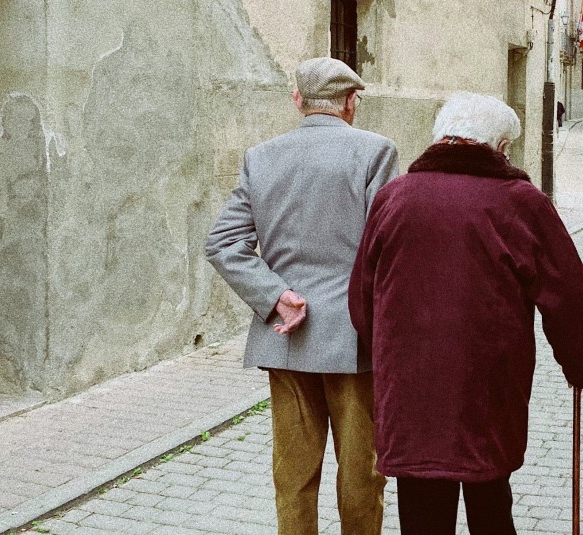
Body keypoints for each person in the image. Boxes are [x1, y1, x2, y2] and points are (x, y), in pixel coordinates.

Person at [348, 92, 583, 535]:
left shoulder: (394, 198)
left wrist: (389, 354)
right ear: (501, 148)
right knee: (490, 502)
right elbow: (570, 295)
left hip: (412, 392)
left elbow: (361, 297)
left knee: (421, 509)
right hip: (487, 389)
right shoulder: (520, 202)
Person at [205, 57, 399, 535]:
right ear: (351, 103)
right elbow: (389, 245)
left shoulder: (261, 156)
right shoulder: (377, 152)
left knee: (292, 477)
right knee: (361, 477)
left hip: (286, 338)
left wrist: (275, 295)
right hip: (355, 341)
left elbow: (222, 242)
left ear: (297, 101)